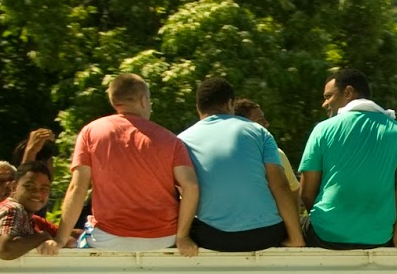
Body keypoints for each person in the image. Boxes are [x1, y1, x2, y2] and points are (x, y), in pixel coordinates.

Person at [54, 72, 200, 255]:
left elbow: (78, 187)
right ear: (143, 100)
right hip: (163, 239)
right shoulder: (170, 140)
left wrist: (60, 238)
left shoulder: (91, 132)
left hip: (108, 239)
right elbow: (191, 186)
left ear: (114, 102)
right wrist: (182, 236)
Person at [298, 67, 397, 255]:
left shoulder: (322, 129)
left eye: (328, 96)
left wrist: (331, 224)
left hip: (325, 235)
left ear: (348, 92)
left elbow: (306, 193)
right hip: (379, 237)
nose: (324, 104)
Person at [178, 78, 304, 251]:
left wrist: (182, 236)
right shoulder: (259, 131)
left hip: (212, 237)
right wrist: (296, 238)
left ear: (198, 107)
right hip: (266, 234)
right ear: (230, 103)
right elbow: (280, 186)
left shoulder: (182, 140)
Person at [0, 163, 60, 260]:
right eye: (29, 186)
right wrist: (43, 236)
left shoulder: (25, 215)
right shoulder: (13, 209)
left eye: (44, 188)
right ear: (14, 187)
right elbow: (5, 250)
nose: (37, 193)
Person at [233, 98, 300, 196]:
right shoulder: (231, 158)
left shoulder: (278, 154)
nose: (266, 123)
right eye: (260, 120)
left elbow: (294, 193)